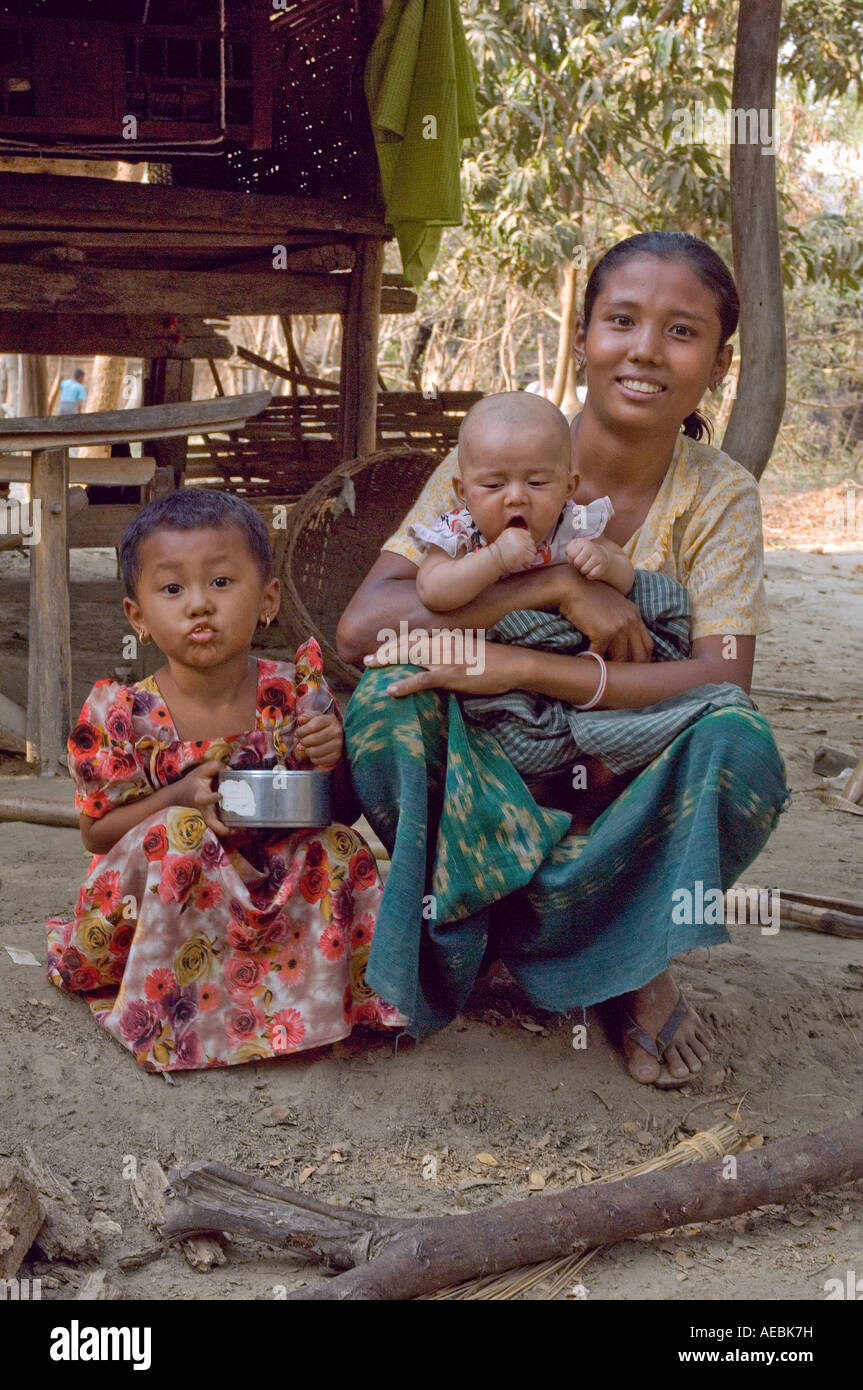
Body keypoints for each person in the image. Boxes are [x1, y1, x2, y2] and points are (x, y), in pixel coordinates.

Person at [337, 231, 789, 1089]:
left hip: (619, 775)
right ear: (582, 337)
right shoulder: (510, 447)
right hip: (488, 780)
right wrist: (549, 591)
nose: (646, 350)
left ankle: (632, 958)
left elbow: (722, 679)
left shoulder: (719, 494)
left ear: (719, 364)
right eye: (621, 320)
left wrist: (533, 670)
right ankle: (465, 929)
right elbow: (365, 628)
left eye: (681, 331)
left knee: (736, 740)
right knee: (387, 699)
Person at [46, 489, 403, 1072]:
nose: (198, 606)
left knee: (338, 849)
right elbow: (96, 833)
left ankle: (312, 1007)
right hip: (165, 893)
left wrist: (331, 758)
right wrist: (176, 798)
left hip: (267, 890)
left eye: (220, 583)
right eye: (171, 589)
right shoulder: (120, 715)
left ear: (267, 600)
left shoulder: (295, 697)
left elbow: (336, 812)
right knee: (182, 834)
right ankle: (174, 1020)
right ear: (137, 616)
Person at [409, 391, 634, 606]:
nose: (516, 497)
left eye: (536, 482)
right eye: (493, 485)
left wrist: (605, 562)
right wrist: (495, 558)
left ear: (568, 487)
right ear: (462, 491)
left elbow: (627, 577)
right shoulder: (461, 531)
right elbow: (431, 592)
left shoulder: (573, 524)